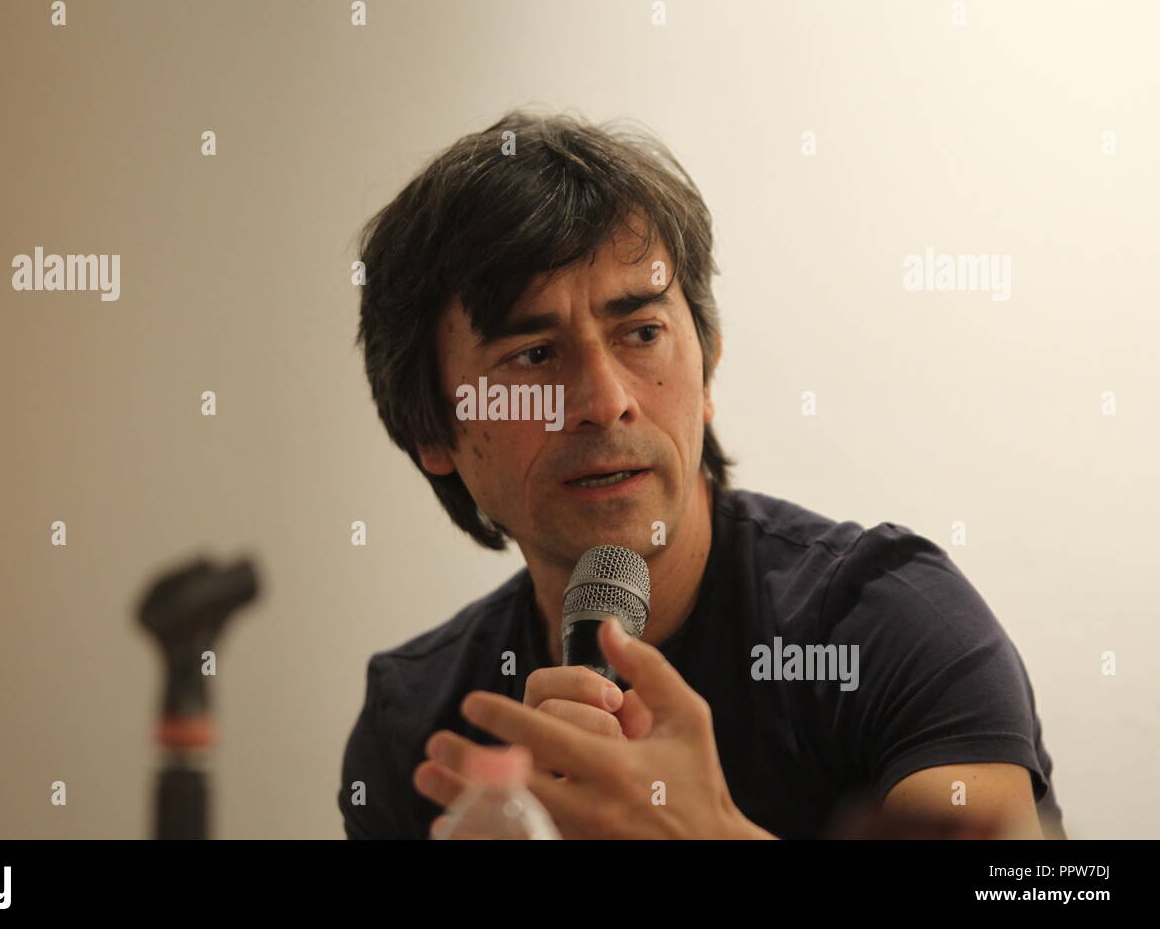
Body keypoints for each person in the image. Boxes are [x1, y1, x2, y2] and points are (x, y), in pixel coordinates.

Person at [340, 109, 1064, 839]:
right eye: (534, 356)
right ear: (430, 425)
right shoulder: (420, 722)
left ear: (709, 360)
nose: (606, 402)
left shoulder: (885, 621)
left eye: (642, 333)